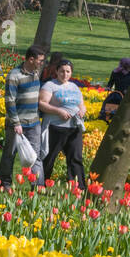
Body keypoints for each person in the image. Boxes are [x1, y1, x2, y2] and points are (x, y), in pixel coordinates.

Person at [0, 46, 46, 189]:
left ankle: (38, 186)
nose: (42, 63)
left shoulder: (36, 73)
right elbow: (9, 100)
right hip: (16, 124)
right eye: (40, 60)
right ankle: (4, 183)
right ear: (31, 60)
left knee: (36, 156)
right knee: (9, 154)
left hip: (34, 123)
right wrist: (16, 123)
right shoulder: (14, 75)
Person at [39, 59, 87, 189]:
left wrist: (82, 110)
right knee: (49, 157)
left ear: (71, 73)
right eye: (62, 71)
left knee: (76, 158)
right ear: (56, 71)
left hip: (73, 128)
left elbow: (81, 104)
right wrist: (58, 111)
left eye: (68, 71)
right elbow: (42, 104)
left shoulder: (74, 86)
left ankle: (79, 188)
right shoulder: (50, 85)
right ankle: (40, 185)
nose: (65, 74)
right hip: (56, 127)